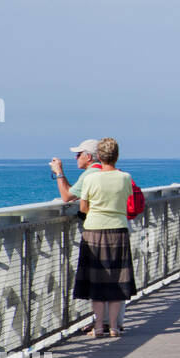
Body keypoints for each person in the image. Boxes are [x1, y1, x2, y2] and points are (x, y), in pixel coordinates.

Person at [73, 138, 137, 338]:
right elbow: (127, 200)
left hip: (93, 231)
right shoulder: (125, 178)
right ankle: (115, 327)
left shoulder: (91, 179)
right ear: (117, 156)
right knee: (117, 280)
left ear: (99, 157)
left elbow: (83, 207)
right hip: (118, 231)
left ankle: (99, 327)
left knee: (96, 281)